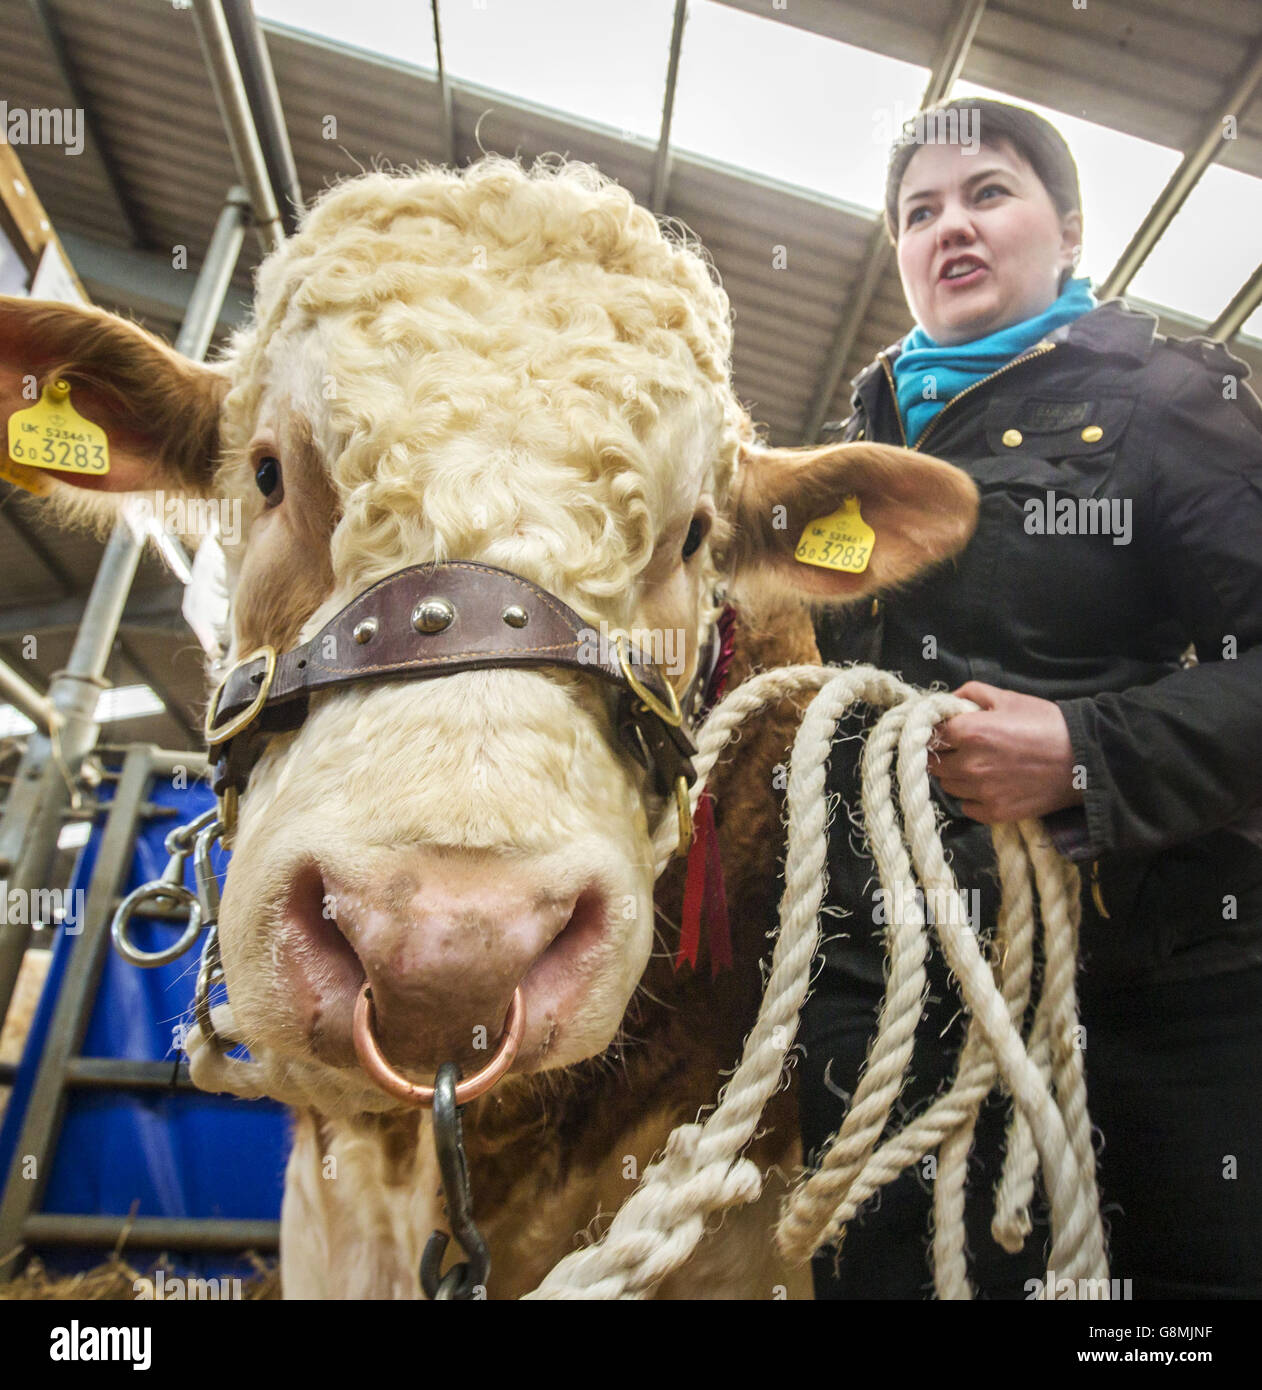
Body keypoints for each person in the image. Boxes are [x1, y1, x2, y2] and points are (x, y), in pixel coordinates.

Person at [795, 96, 1262, 1299]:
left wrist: (1081, 752)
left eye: (986, 193)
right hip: (888, 994)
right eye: (918, 211)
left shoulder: (1170, 402)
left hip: (1146, 990)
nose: (949, 227)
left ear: (1066, 229)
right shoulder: (844, 464)